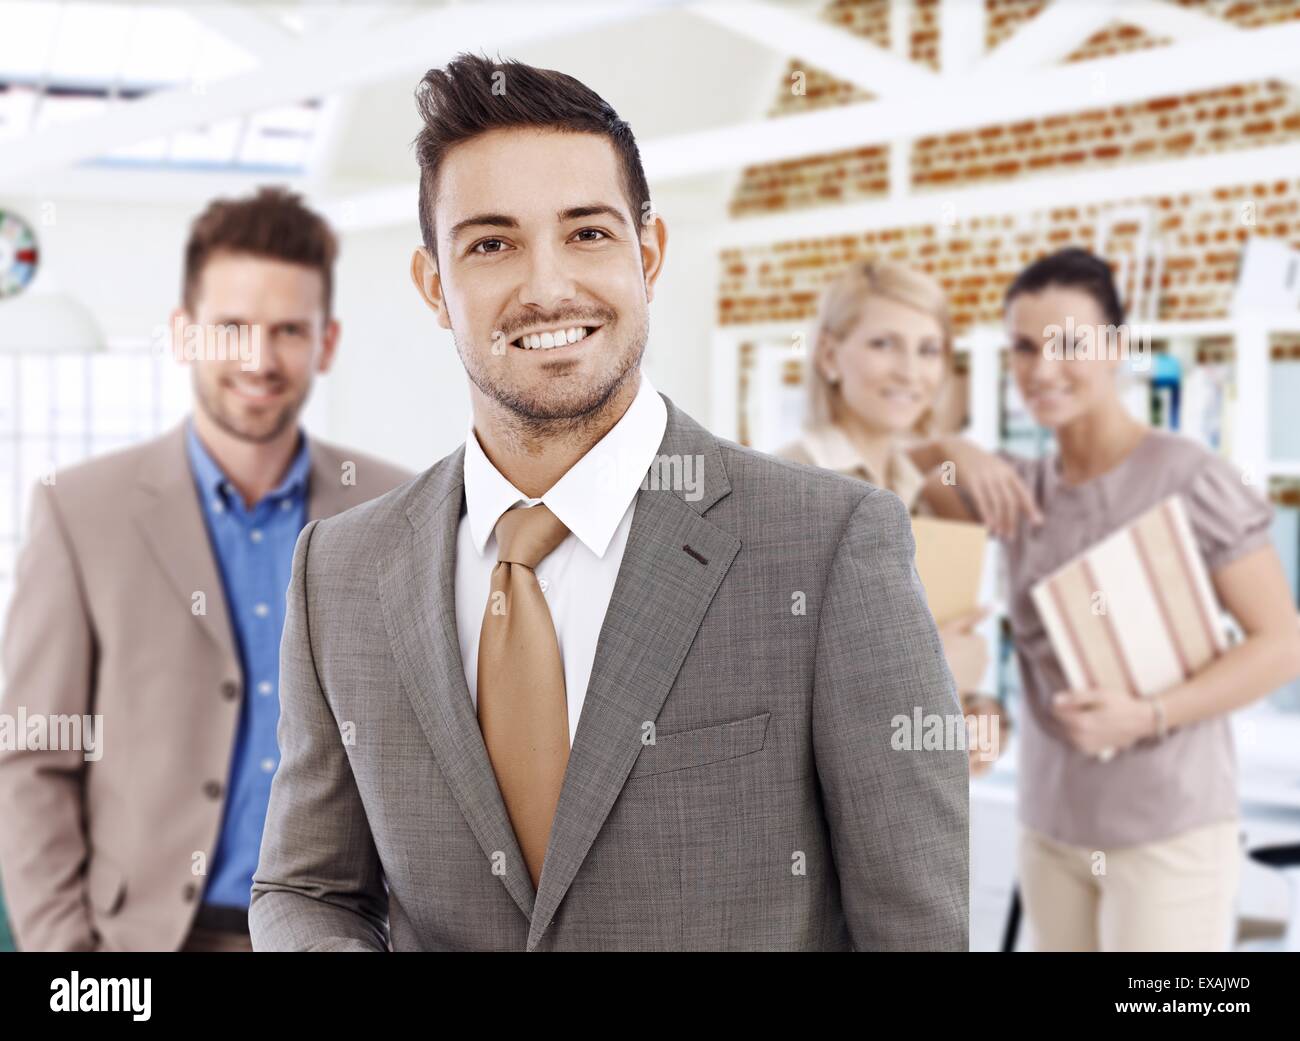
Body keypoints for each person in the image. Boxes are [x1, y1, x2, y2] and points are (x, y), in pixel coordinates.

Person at [249, 53, 967, 952]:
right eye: (491, 242)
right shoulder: (340, 572)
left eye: (587, 233)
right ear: (435, 285)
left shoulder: (826, 547)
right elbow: (304, 887)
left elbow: (916, 931)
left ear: (649, 252)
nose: (547, 286)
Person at [0, 188, 411, 952]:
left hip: (340, 936)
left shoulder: (397, 507)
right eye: (232, 328)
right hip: (140, 945)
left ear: (326, 343)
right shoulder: (81, 512)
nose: (258, 359)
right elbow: (31, 759)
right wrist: (66, 956)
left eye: (289, 329)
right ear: (184, 335)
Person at [928, 246, 1300, 951]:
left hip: (1169, 833)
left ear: (1118, 348)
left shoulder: (1188, 476)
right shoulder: (1017, 487)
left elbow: (1282, 644)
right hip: (1052, 826)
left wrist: (1147, 714)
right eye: (1024, 347)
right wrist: (958, 446)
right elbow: (897, 464)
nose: (1041, 368)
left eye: (1069, 343)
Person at [776, 260, 1024, 775]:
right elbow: (770, 697)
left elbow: (952, 661)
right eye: (884, 344)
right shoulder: (788, 484)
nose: (910, 372)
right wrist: (931, 678)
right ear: (828, 355)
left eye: (928, 350)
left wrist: (980, 717)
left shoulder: (924, 498)